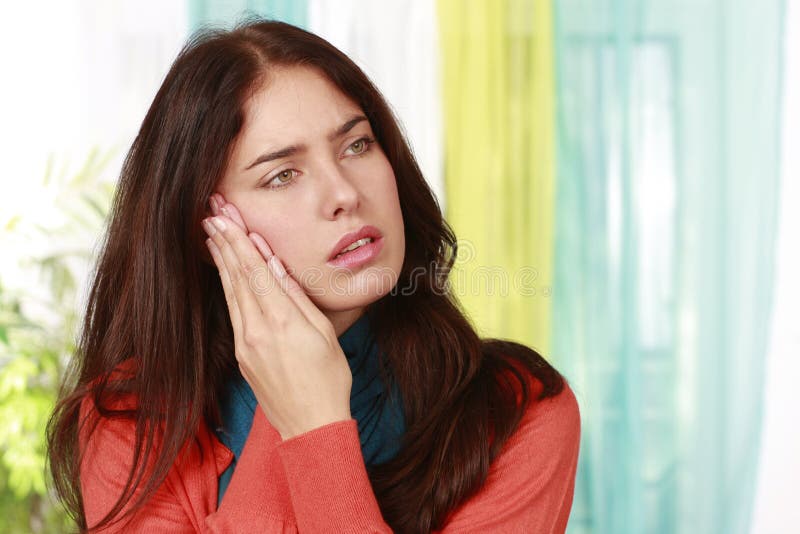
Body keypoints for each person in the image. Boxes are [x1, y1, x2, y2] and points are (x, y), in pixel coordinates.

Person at [46, 19, 580, 533]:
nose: (345, 193)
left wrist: (315, 427)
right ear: (207, 229)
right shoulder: (133, 422)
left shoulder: (516, 410)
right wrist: (290, 413)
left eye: (357, 145)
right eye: (282, 175)